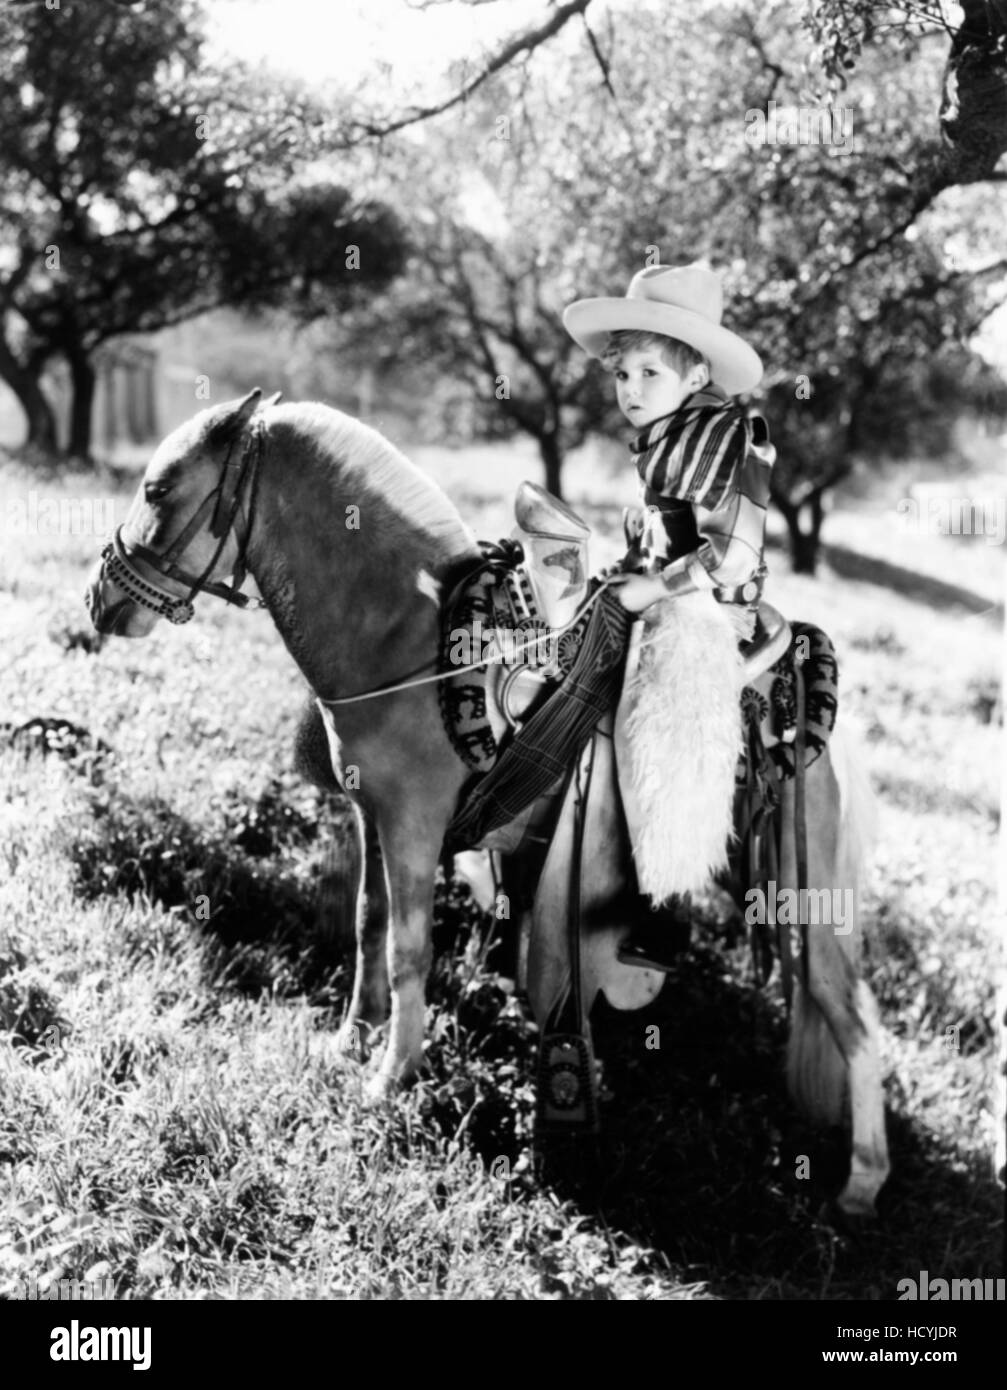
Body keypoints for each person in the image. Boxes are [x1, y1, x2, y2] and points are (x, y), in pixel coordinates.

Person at [562, 261, 775, 969]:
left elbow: (731, 554)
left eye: (648, 373)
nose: (629, 389)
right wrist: (624, 573)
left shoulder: (725, 435)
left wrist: (649, 591)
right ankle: (569, 846)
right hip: (660, 593)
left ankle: (666, 902)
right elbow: (659, 531)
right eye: (621, 374)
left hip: (706, 613)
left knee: (665, 715)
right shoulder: (665, 433)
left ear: (692, 377)